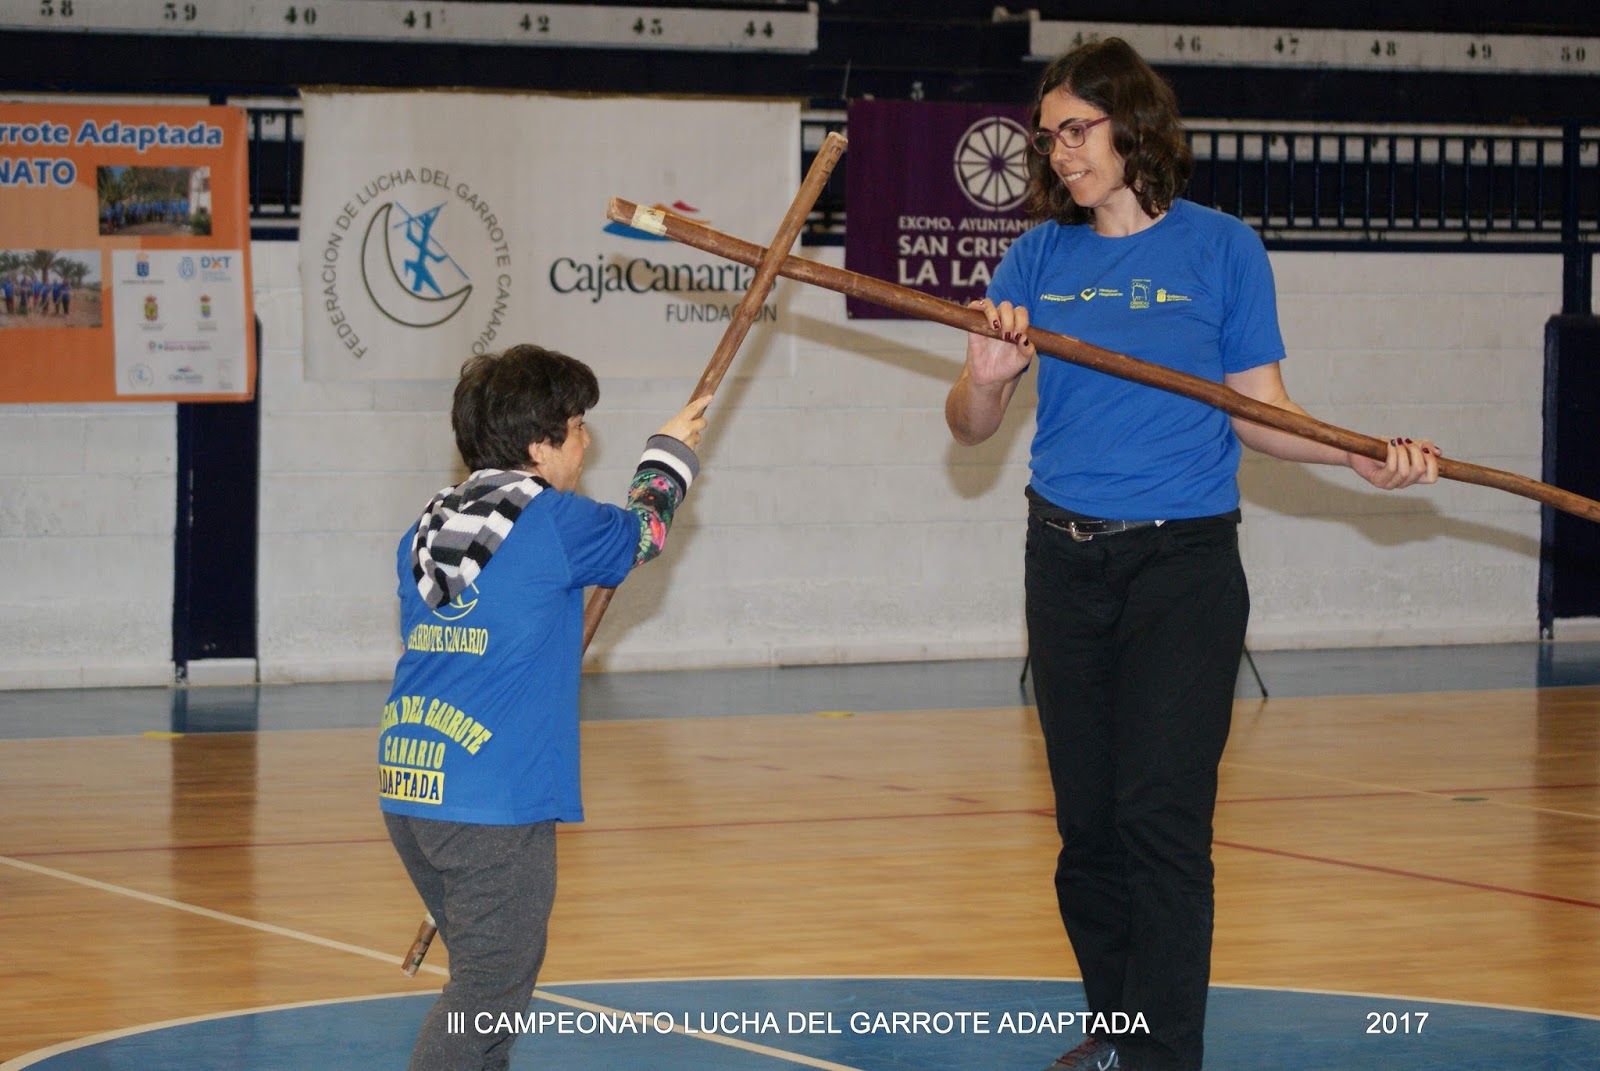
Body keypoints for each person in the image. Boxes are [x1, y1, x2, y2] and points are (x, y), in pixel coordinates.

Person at [944, 38, 1439, 1071]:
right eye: (1049, 138)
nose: (1059, 153)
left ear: (1133, 124)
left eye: (1075, 130)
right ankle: (1116, 1029)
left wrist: (1360, 459)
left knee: (1160, 821)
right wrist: (988, 378)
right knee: (1087, 836)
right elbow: (970, 426)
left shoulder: (1221, 249)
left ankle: (1165, 1057)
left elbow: (1262, 416)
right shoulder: (1036, 258)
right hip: (1062, 561)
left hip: (1181, 569)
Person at [379, 342, 712, 1071]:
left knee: (483, 989)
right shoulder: (554, 521)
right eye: (577, 424)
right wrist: (670, 456)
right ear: (540, 443)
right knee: (487, 997)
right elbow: (642, 534)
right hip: (493, 804)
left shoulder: (428, 523)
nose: (586, 439)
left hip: (413, 786)